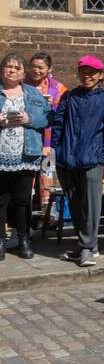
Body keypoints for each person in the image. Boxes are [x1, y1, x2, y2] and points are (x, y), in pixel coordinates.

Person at [49, 56, 104, 267]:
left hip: (92, 160)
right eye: (83, 72)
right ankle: (87, 245)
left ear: (100, 75)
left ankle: (87, 248)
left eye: (92, 72)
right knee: (75, 204)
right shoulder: (69, 96)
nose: (87, 76)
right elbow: (58, 124)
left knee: (91, 205)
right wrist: (57, 150)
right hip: (66, 159)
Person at [0, 53, 51, 260]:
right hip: (1, 156)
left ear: (23, 73)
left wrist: (29, 118)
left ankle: (23, 239)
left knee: (22, 200)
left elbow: (47, 118)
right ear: (2, 70)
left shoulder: (32, 93)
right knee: (1, 200)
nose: (12, 70)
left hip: (26, 155)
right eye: (8, 66)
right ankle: (1, 240)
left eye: (17, 68)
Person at [26, 51, 64, 214]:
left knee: (47, 179)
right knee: (26, 181)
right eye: (33, 66)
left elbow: (63, 113)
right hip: (26, 139)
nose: (36, 70)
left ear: (49, 69)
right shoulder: (21, 84)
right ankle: (23, 217)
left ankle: (48, 216)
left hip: (48, 142)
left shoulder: (57, 88)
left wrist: (52, 105)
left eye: (40, 67)